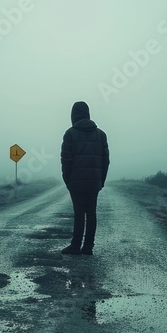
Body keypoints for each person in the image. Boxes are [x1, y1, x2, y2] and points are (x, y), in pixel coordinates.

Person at [60, 101, 109, 255]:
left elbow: (66, 160)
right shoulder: (101, 135)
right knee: (92, 214)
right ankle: (88, 247)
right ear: (88, 113)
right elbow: (105, 161)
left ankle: (75, 246)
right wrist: (101, 180)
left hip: (75, 181)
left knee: (79, 213)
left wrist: (67, 180)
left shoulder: (70, 133)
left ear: (73, 115)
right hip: (94, 181)